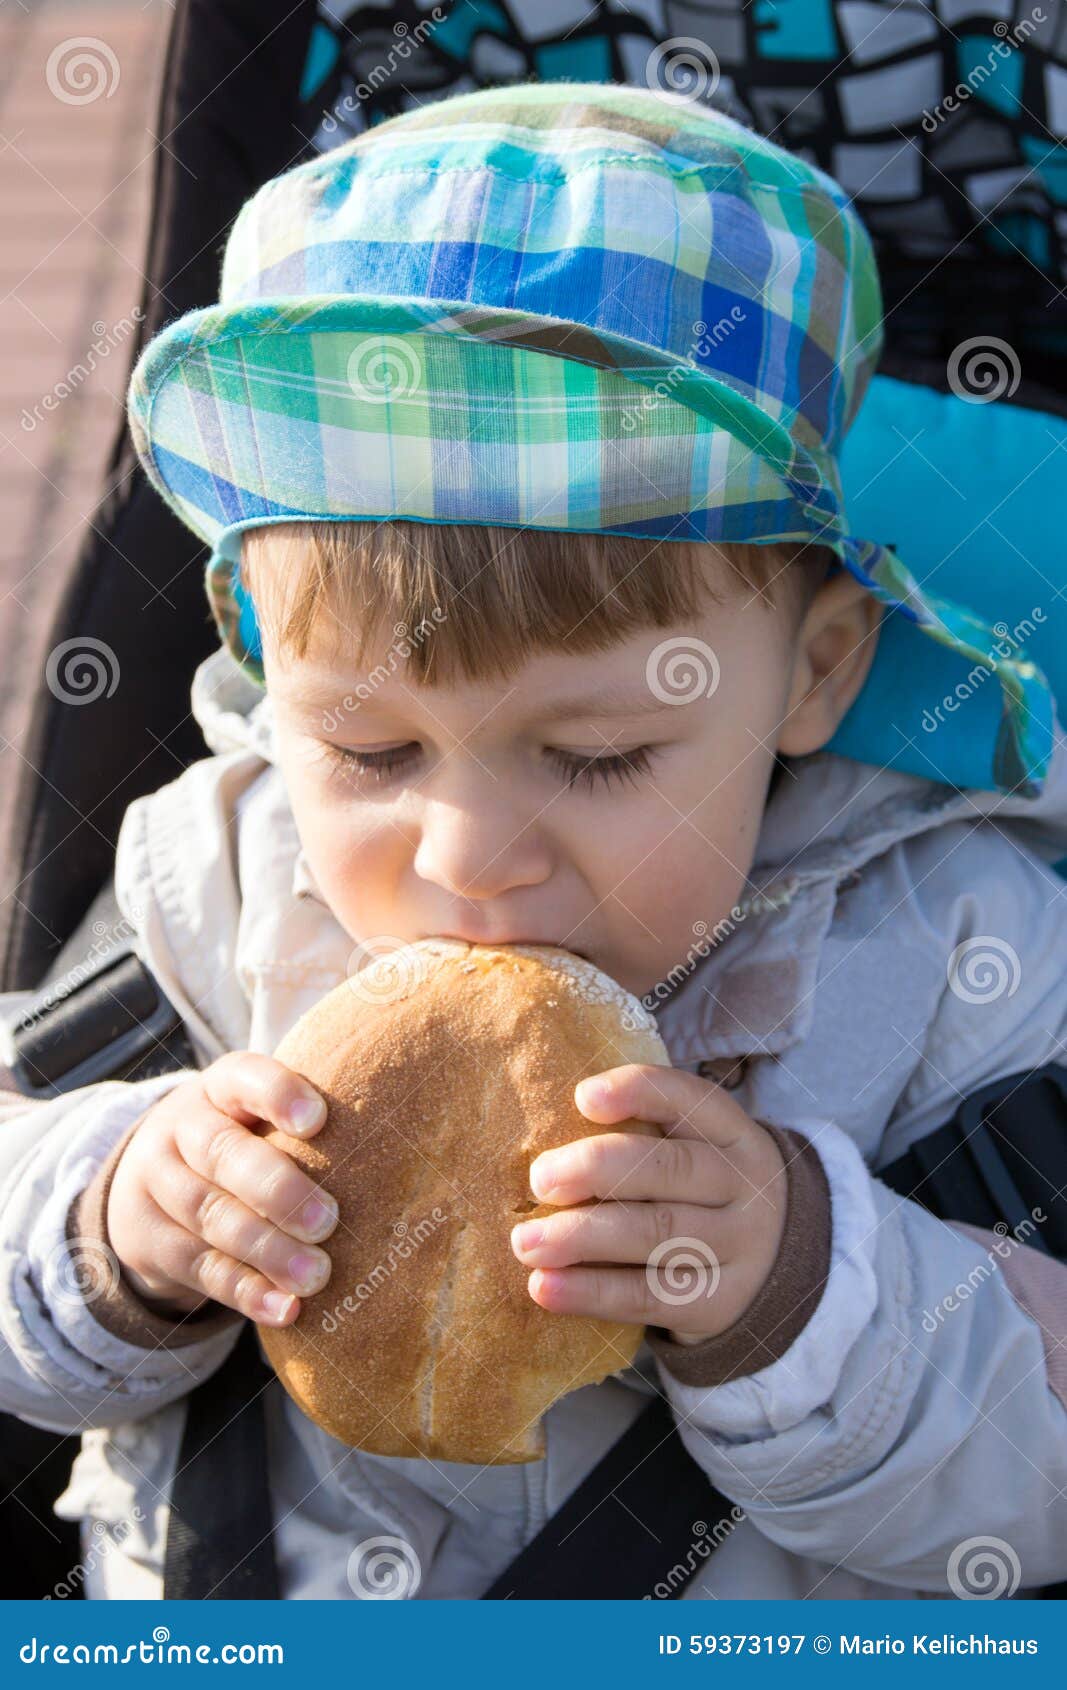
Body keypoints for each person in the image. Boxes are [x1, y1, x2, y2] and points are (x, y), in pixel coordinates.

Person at [1, 80, 1065, 1601]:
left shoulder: (963, 959)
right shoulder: (216, 879)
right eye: (369, 749)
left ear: (813, 670)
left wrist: (802, 1284)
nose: (470, 857)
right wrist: (114, 1214)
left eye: (599, 754)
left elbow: (1040, 1484)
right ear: (256, 651)